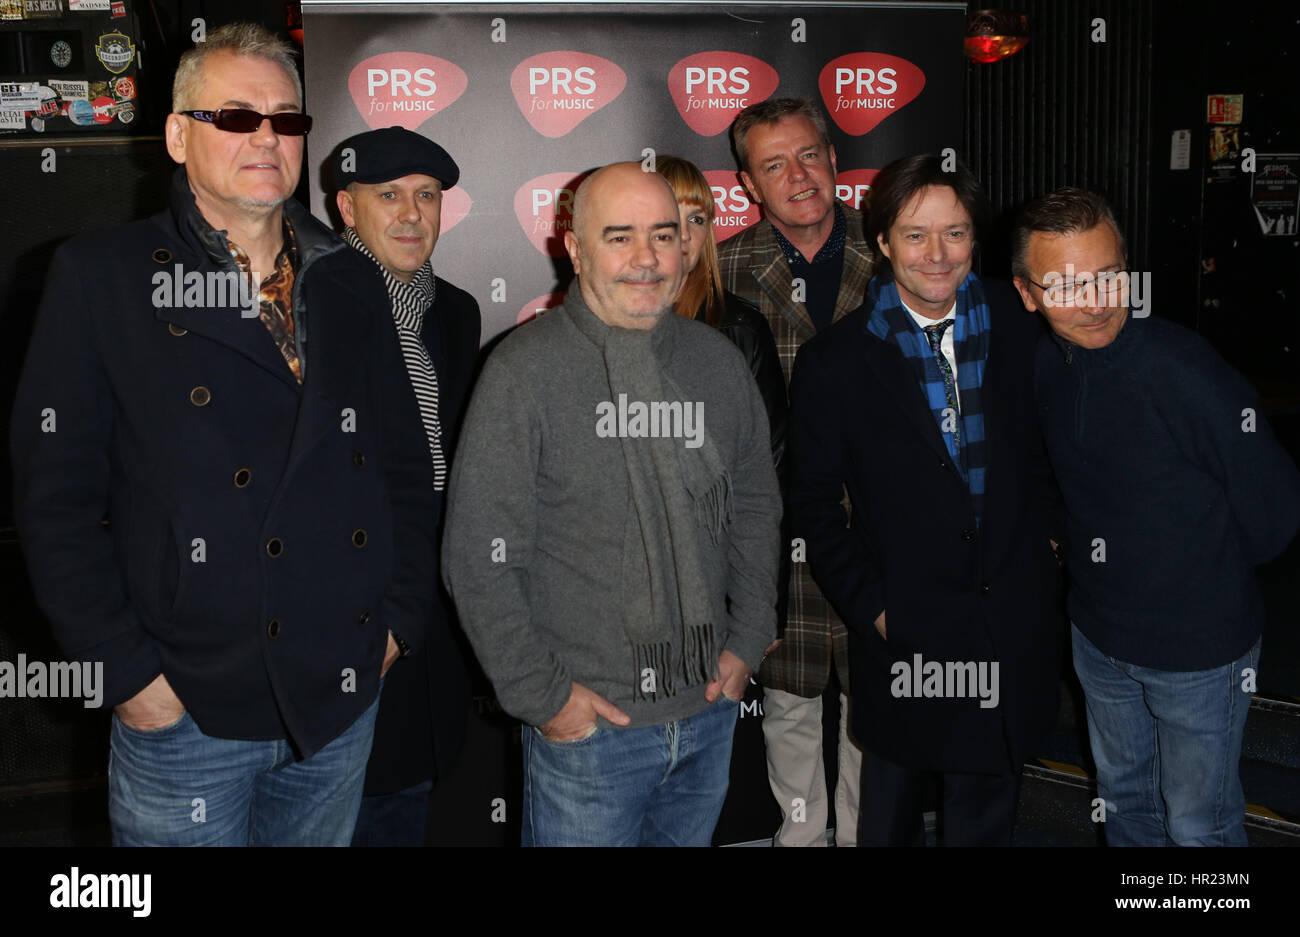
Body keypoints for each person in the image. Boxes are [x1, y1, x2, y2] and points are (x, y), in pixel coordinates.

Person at [10, 23, 437, 846]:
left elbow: (403, 471)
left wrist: (396, 624)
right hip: (187, 711)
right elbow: (53, 503)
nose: (267, 138)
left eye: (286, 119)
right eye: (236, 117)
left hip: (340, 695)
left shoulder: (351, 278)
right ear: (178, 135)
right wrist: (130, 676)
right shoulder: (103, 276)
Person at [442, 162, 781, 846]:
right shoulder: (521, 371)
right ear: (574, 249)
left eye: (664, 234)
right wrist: (544, 698)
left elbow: (753, 507)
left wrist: (749, 636)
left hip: (708, 712)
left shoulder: (716, 361)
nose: (648, 258)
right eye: (619, 237)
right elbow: (478, 557)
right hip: (591, 734)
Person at [788, 154, 1065, 846]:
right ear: (881, 241)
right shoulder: (836, 362)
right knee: (888, 824)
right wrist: (875, 608)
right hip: (905, 638)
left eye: (956, 233)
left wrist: (1052, 548)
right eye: (915, 235)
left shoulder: (1025, 322)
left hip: (1008, 627)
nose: (938, 255)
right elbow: (815, 505)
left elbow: (1063, 443)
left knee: (986, 826)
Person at [1011, 187, 1300, 846]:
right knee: (1122, 802)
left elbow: (1276, 508)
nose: (1094, 302)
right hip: (1097, 636)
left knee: (1200, 823)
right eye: (1066, 285)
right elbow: (1055, 475)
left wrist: (1200, 581)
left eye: (1108, 276)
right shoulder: (1046, 364)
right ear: (1028, 294)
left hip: (1198, 651)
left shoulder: (1184, 371)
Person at [718, 97, 874, 846]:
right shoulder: (719, 272)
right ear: (747, 184)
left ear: (835, 159)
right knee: (788, 705)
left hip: (885, 530)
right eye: (773, 164)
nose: (798, 175)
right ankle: (803, 841)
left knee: (875, 705)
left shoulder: (900, 255)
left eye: (809, 154)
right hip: (775, 532)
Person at [332, 126, 482, 846]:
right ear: (344, 207)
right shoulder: (313, 301)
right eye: (387, 194)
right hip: (347, 603)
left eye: (426, 195)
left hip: (436, 594)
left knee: (411, 791)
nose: (411, 213)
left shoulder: (455, 309)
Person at [656, 154, 787, 475]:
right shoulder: (594, 323)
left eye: (697, 219)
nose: (684, 234)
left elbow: (769, 462)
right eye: (669, 215)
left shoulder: (741, 329)